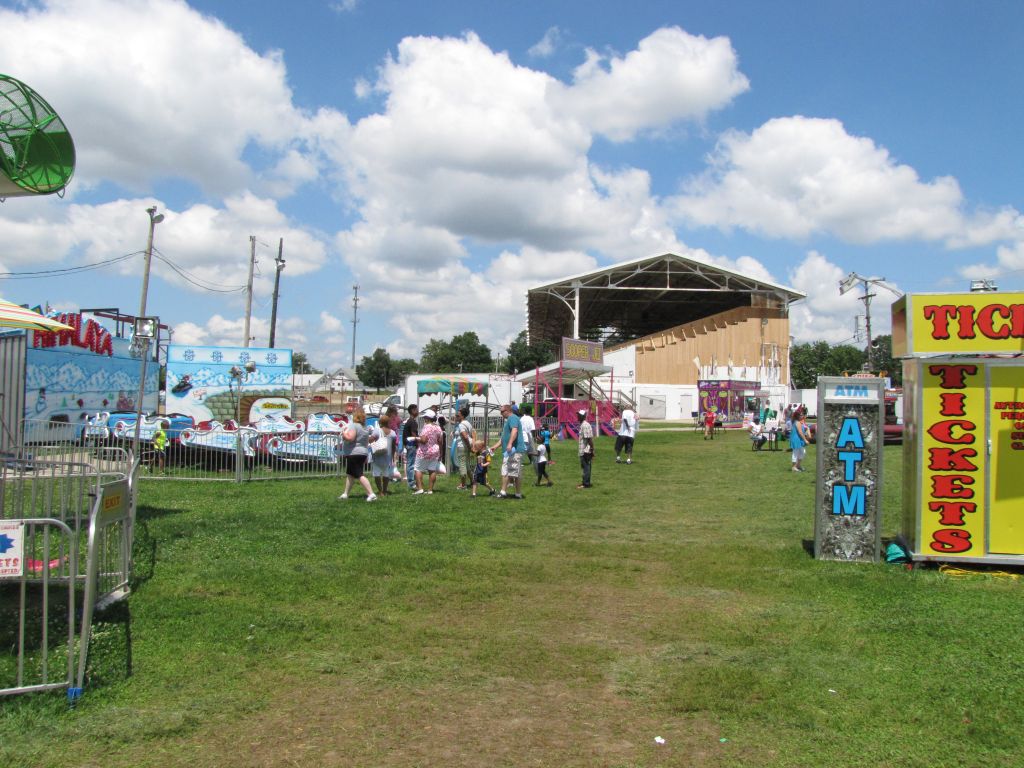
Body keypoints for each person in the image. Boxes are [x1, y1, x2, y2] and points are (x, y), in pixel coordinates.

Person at [339, 406, 377, 501]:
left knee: (359, 475)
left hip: (354, 453)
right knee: (350, 474)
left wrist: (344, 434)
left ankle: (371, 494)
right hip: (362, 453)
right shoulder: (364, 428)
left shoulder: (354, 425)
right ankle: (345, 493)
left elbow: (351, 438)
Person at [490, 402, 525, 499]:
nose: (501, 414)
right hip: (513, 450)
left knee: (506, 470)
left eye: (502, 412)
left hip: (514, 450)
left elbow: (514, 431)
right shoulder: (509, 420)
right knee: (515, 472)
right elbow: (503, 438)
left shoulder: (513, 418)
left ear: (508, 410)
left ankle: (503, 492)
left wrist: (509, 444)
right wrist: (495, 447)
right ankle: (517, 494)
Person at [414, 409, 443, 494]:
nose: (424, 419)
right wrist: (440, 452)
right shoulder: (438, 428)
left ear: (427, 418)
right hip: (434, 451)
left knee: (418, 469)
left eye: (425, 417)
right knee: (432, 470)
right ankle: (430, 490)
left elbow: (423, 440)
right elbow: (440, 441)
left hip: (424, 451)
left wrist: (416, 438)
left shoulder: (426, 427)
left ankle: (420, 488)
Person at [369, 418, 397, 496]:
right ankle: (385, 490)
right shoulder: (393, 433)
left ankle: (380, 491)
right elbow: (393, 446)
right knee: (386, 474)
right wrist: (392, 455)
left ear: (380, 422)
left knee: (377, 474)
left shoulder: (377, 431)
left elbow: (371, 440)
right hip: (387, 456)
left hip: (377, 456)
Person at [453, 405, 475, 490]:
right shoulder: (468, 423)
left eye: (458, 415)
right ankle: (473, 481)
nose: (456, 417)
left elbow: (465, 437)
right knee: (467, 465)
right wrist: (471, 445)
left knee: (462, 465)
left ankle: (463, 485)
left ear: (462, 416)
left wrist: (470, 447)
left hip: (462, 446)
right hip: (466, 446)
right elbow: (473, 433)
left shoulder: (461, 425)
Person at [402, 404, 419, 490]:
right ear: (412, 411)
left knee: (411, 463)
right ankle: (411, 483)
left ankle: (412, 482)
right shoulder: (412, 422)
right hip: (412, 445)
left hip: (408, 445)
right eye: (416, 409)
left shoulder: (409, 421)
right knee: (411, 464)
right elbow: (413, 434)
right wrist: (418, 442)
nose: (418, 411)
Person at [576, 408, 594, 489]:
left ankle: (586, 484)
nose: (577, 416)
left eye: (579, 415)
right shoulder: (583, 424)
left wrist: (592, 450)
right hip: (583, 450)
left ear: (582, 416)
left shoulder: (585, 425)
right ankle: (585, 482)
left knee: (586, 467)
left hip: (585, 450)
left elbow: (589, 439)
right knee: (585, 467)